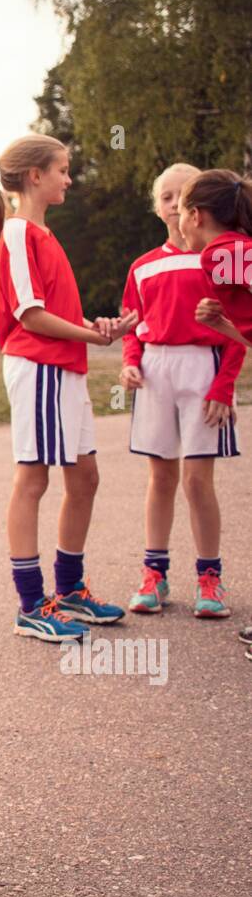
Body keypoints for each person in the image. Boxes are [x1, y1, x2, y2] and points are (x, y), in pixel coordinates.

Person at [0, 135, 135, 641]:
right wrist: (91, 334)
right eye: (62, 170)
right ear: (34, 176)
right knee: (35, 480)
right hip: (39, 367)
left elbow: (56, 313)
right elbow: (31, 315)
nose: (69, 179)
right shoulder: (19, 233)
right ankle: (30, 605)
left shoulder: (43, 236)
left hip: (65, 368)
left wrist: (100, 327)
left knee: (85, 477)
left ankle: (70, 590)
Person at [120, 163, 242, 619]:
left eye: (182, 195)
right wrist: (131, 363)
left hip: (203, 370)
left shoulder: (221, 257)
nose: (174, 204)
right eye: (165, 196)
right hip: (157, 370)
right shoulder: (142, 267)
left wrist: (224, 385)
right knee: (161, 477)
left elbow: (236, 327)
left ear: (198, 208)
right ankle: (154, 573)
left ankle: (209, 577)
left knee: (197, 480)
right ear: (157, 207)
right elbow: (134, 326)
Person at [180, 168, 252, 656]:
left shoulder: (222, 252)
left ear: (196, 215)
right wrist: (224, 322)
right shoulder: (236, 250)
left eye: (181, 210)